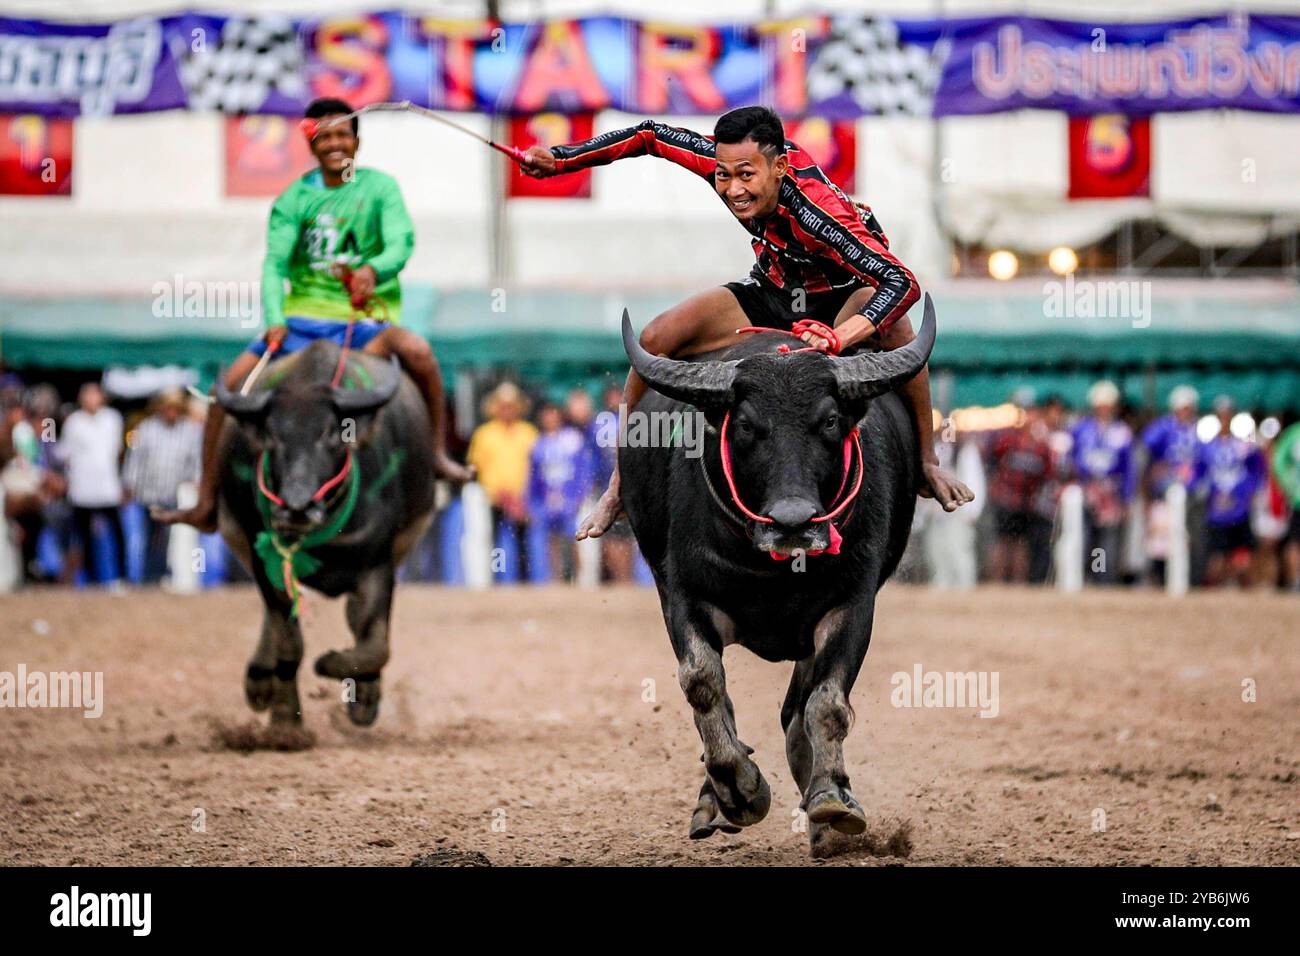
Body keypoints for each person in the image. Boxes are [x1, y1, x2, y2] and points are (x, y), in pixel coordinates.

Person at [516, 106, 973, 540]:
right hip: (772, 288)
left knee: (897, 328)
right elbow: (649, 135)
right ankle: (619, 485)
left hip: (840, 300)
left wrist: (842, 334)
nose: (733, 189)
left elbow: (902, 281)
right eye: (723, 175)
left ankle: (927, 462)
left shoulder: (817, 214)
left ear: (778, 168)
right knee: (655, 338)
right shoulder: (727, 162)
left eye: (746, 176)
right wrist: (560, 159)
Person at [157, 96, 470, 532]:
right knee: (224, 391)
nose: (335, 143)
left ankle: (436, 454)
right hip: (300, 323)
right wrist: (273, 317)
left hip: (365, 326)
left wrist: (372, 269)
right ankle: (208, 498)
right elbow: (274, 264)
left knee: (418, 352)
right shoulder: (293, 199)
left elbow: (401, 244)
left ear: (357, 143)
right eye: (325, 136)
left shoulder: (381, 189)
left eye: (343, 134)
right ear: (312, 143)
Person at [122, 388, 202, 583]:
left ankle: (176, 575)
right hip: (149, 494)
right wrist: (129, 485)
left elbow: (196, 461)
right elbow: (135, 460)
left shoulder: (189, 430)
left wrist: (197, 482)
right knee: (150, 538)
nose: (171, 412)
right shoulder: (146, 428)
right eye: (168, 408)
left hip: (177, 495)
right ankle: (150, 577)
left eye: (175, 408)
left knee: (175, 540)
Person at [467, 383, 538, 583]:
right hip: (493, 498)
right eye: (503, 405)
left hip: (521, 498)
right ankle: (495, 579)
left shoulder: (528, 433)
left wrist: (521, 497)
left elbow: (535, 468)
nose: (507, 410)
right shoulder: (483, 434)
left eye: (511, 405)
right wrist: (498, 494)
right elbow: (477, 468)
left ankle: (524, 581)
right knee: (494, 542)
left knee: (522, 542)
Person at [56, 382, 125, 587]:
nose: (91, 400)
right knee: (82, 536)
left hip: (108, 486)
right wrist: (47, 433)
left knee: (116, 533)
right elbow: (62, 453)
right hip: (82, 488)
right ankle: (89, 578)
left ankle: (120, 576)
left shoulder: (113, 419)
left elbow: (117, 450)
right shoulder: (73, 422)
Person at [986, 389, 1055, 584]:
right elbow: (993, 463)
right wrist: (995, 488)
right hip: (1005, 499)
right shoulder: (1007, 440)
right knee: (1003, 541)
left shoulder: (1041, 446)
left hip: (1025, 502)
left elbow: (1046, 474)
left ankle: (1018, 582)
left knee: (1021, 543)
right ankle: (998, 581)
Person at [1198, 397, 1267, 588]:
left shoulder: (1245, 446)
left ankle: (1246, 590)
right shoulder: (1207, 447)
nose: (1225, 420)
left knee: (1243, 555)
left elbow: (1257, 471)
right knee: (1217, 555)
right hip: (1217, 510)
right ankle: (1214, 589)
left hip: (1239, 508)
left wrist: (1249, 493)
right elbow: (1201, 475)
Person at [1070, 381, 1134, 586]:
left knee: (1107, 540)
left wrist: (1126, 496)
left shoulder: (1122, 432)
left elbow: (1128, 468)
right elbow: (1072, 459)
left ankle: (1102, 578)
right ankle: (1083, 576)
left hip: (1110, 491)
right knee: (1084, 534)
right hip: (1087, 489)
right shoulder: (1082, 429)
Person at [527, 402, 595, 583]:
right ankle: (555, 578)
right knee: (552, 540)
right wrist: (533, 501)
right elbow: (534, 475)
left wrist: (578, 495)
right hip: (547, 499)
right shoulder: (538, 444)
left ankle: (581, 577)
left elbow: (582, 469)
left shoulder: (572, 439)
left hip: (569, 497)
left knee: (575, 537)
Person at [1270, 418, 1300, 590]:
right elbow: (1279, 461)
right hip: (1298, 500)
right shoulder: (1294, 433)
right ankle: (1296, 579)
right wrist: (1289, 486)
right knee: (1295, 541)